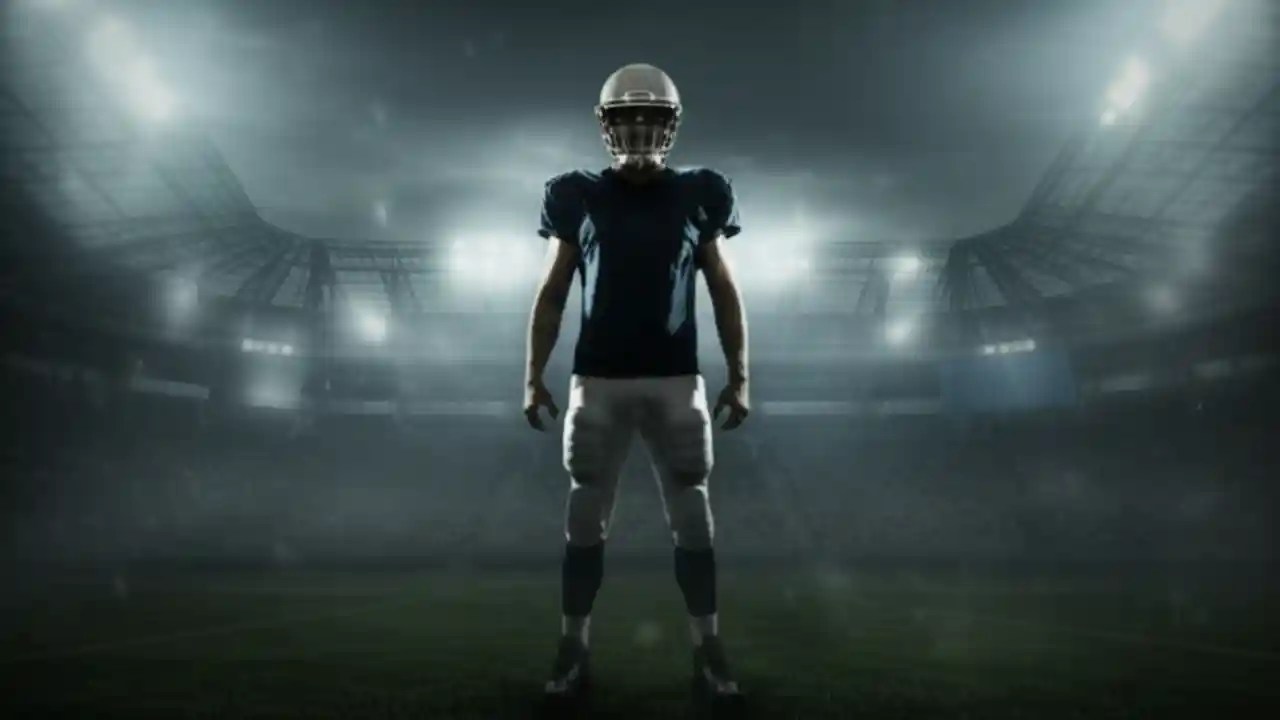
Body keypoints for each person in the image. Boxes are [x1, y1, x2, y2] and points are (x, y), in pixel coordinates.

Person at [522, 62, 749, 703]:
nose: (642, 131)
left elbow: (724, 289)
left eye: (652, 119)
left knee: (694, 521)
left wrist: (741, 375)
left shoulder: (699, 191)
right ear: (606, 125)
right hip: (598, 380)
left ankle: (708, 648)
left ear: (671, 125)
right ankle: (574, 647)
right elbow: (552, 291)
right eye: (629, 119)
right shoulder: (576, 193)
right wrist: (532, 376)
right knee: (584, 517)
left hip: (677, 379)